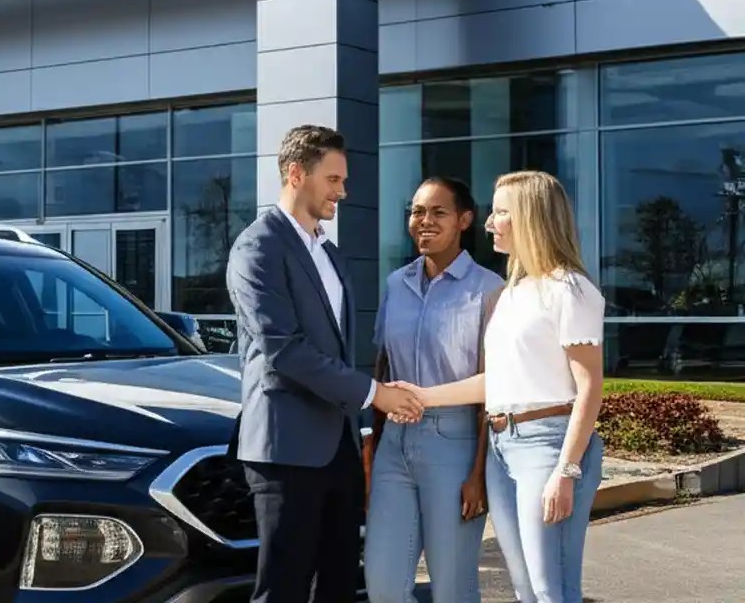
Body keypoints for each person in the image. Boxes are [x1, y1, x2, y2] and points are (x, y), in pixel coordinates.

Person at [226, 125, 425, 603]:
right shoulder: (258, 248)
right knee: (284, 588)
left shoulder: (331, 255)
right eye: (333, 179)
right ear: (296, 174)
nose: (343, 191)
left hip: (337, 445)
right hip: (285, 449)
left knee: (339, 582)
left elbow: (334, 348)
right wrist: (375, 394)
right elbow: (284, 349)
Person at [389, 170, 606, 603]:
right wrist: (422, 396)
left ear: (531, 217)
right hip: (503, 445)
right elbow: (498, 381)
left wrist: (566, 471)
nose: (490, 222)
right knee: (526, 589)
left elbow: (590, 387)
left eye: (501, 212)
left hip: (548, 446)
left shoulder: (571, 289)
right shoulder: (514, 292)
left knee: (551, 590)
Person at [362, 177, 505, 603]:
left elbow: (493, 387)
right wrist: (373, 447)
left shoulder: (489, 290)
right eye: (416, 211)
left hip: (456, 445)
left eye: (438, 212)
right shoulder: (394, 285)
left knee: (453, 589)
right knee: (383, 585)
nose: (424, 221)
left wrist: (478, 474)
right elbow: (382, 363)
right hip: (394, 445)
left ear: (464, 220)